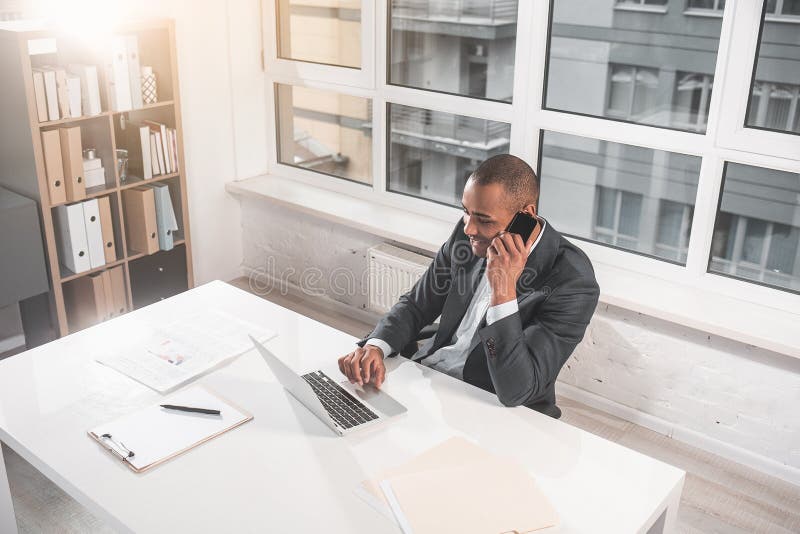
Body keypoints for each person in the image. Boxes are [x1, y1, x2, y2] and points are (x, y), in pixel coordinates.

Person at [337, 154, 599, 418]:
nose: (470, 228)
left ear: (526, 215)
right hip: (432, 381)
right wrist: (376, 347)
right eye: (465, 211)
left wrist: (503, 291)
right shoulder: (469, 235)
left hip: (492, 405)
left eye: (484, 220)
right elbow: (418, 304)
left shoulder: (572, 281)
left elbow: (516, 389)